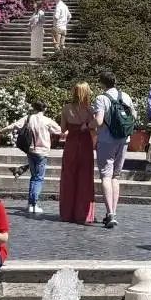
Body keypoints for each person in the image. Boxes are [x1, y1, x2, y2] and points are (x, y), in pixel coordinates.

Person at [93, 71, 135, 229]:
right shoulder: (125, 96)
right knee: (116, 176)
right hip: (124, 139)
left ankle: (110, 213)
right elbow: (133, 115)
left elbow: (99, 121)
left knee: (106, 175)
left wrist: (88, 124)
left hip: (106, 140)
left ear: (102, 83)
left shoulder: (101, 98)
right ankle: (114, 212)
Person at [11, 101, 62, 216]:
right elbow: (60, 130)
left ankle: (30, 204)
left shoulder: (29, 118)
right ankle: (34, 204)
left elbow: (14, 126)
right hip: (42, 153)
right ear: (45, 109)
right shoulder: (47, 121)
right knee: (38, 178)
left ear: (34, 108)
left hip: (30, 151)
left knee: (33, 177)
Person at [59, 82, 96, 224]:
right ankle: (83, 214)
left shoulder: (66, 108)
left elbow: (63, 129)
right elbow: (95, 127)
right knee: (85, 179)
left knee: (68, 178)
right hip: (85, 145)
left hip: (71, 145)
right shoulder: (90, 110)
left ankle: (67, 213)